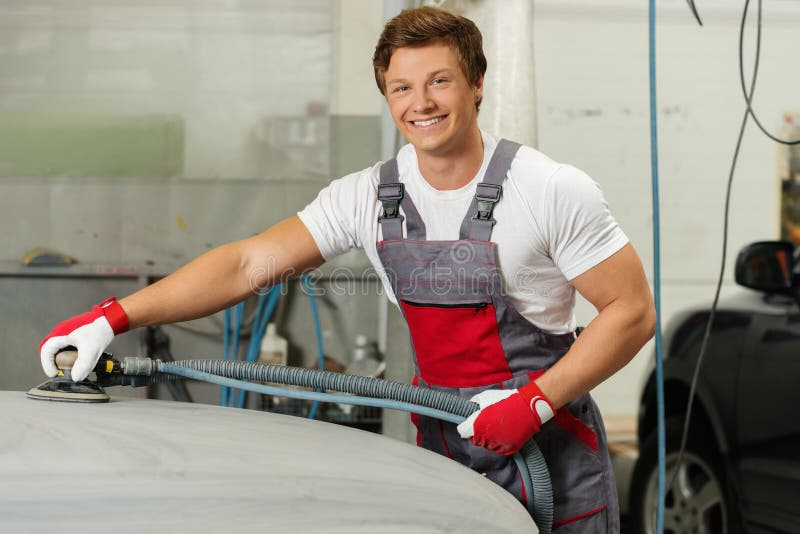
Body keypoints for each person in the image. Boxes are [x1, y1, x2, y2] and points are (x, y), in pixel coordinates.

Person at [39, 6, 654, 532]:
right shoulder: (366, 196)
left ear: (477, 83)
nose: (422, 103)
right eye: (402, 88)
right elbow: (247, 263)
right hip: (447, 450)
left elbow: (632, 312)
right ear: (387, 96)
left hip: (553, 455)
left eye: (440, 81)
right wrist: (111, 316)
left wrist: (534, 405)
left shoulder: (549, 189)